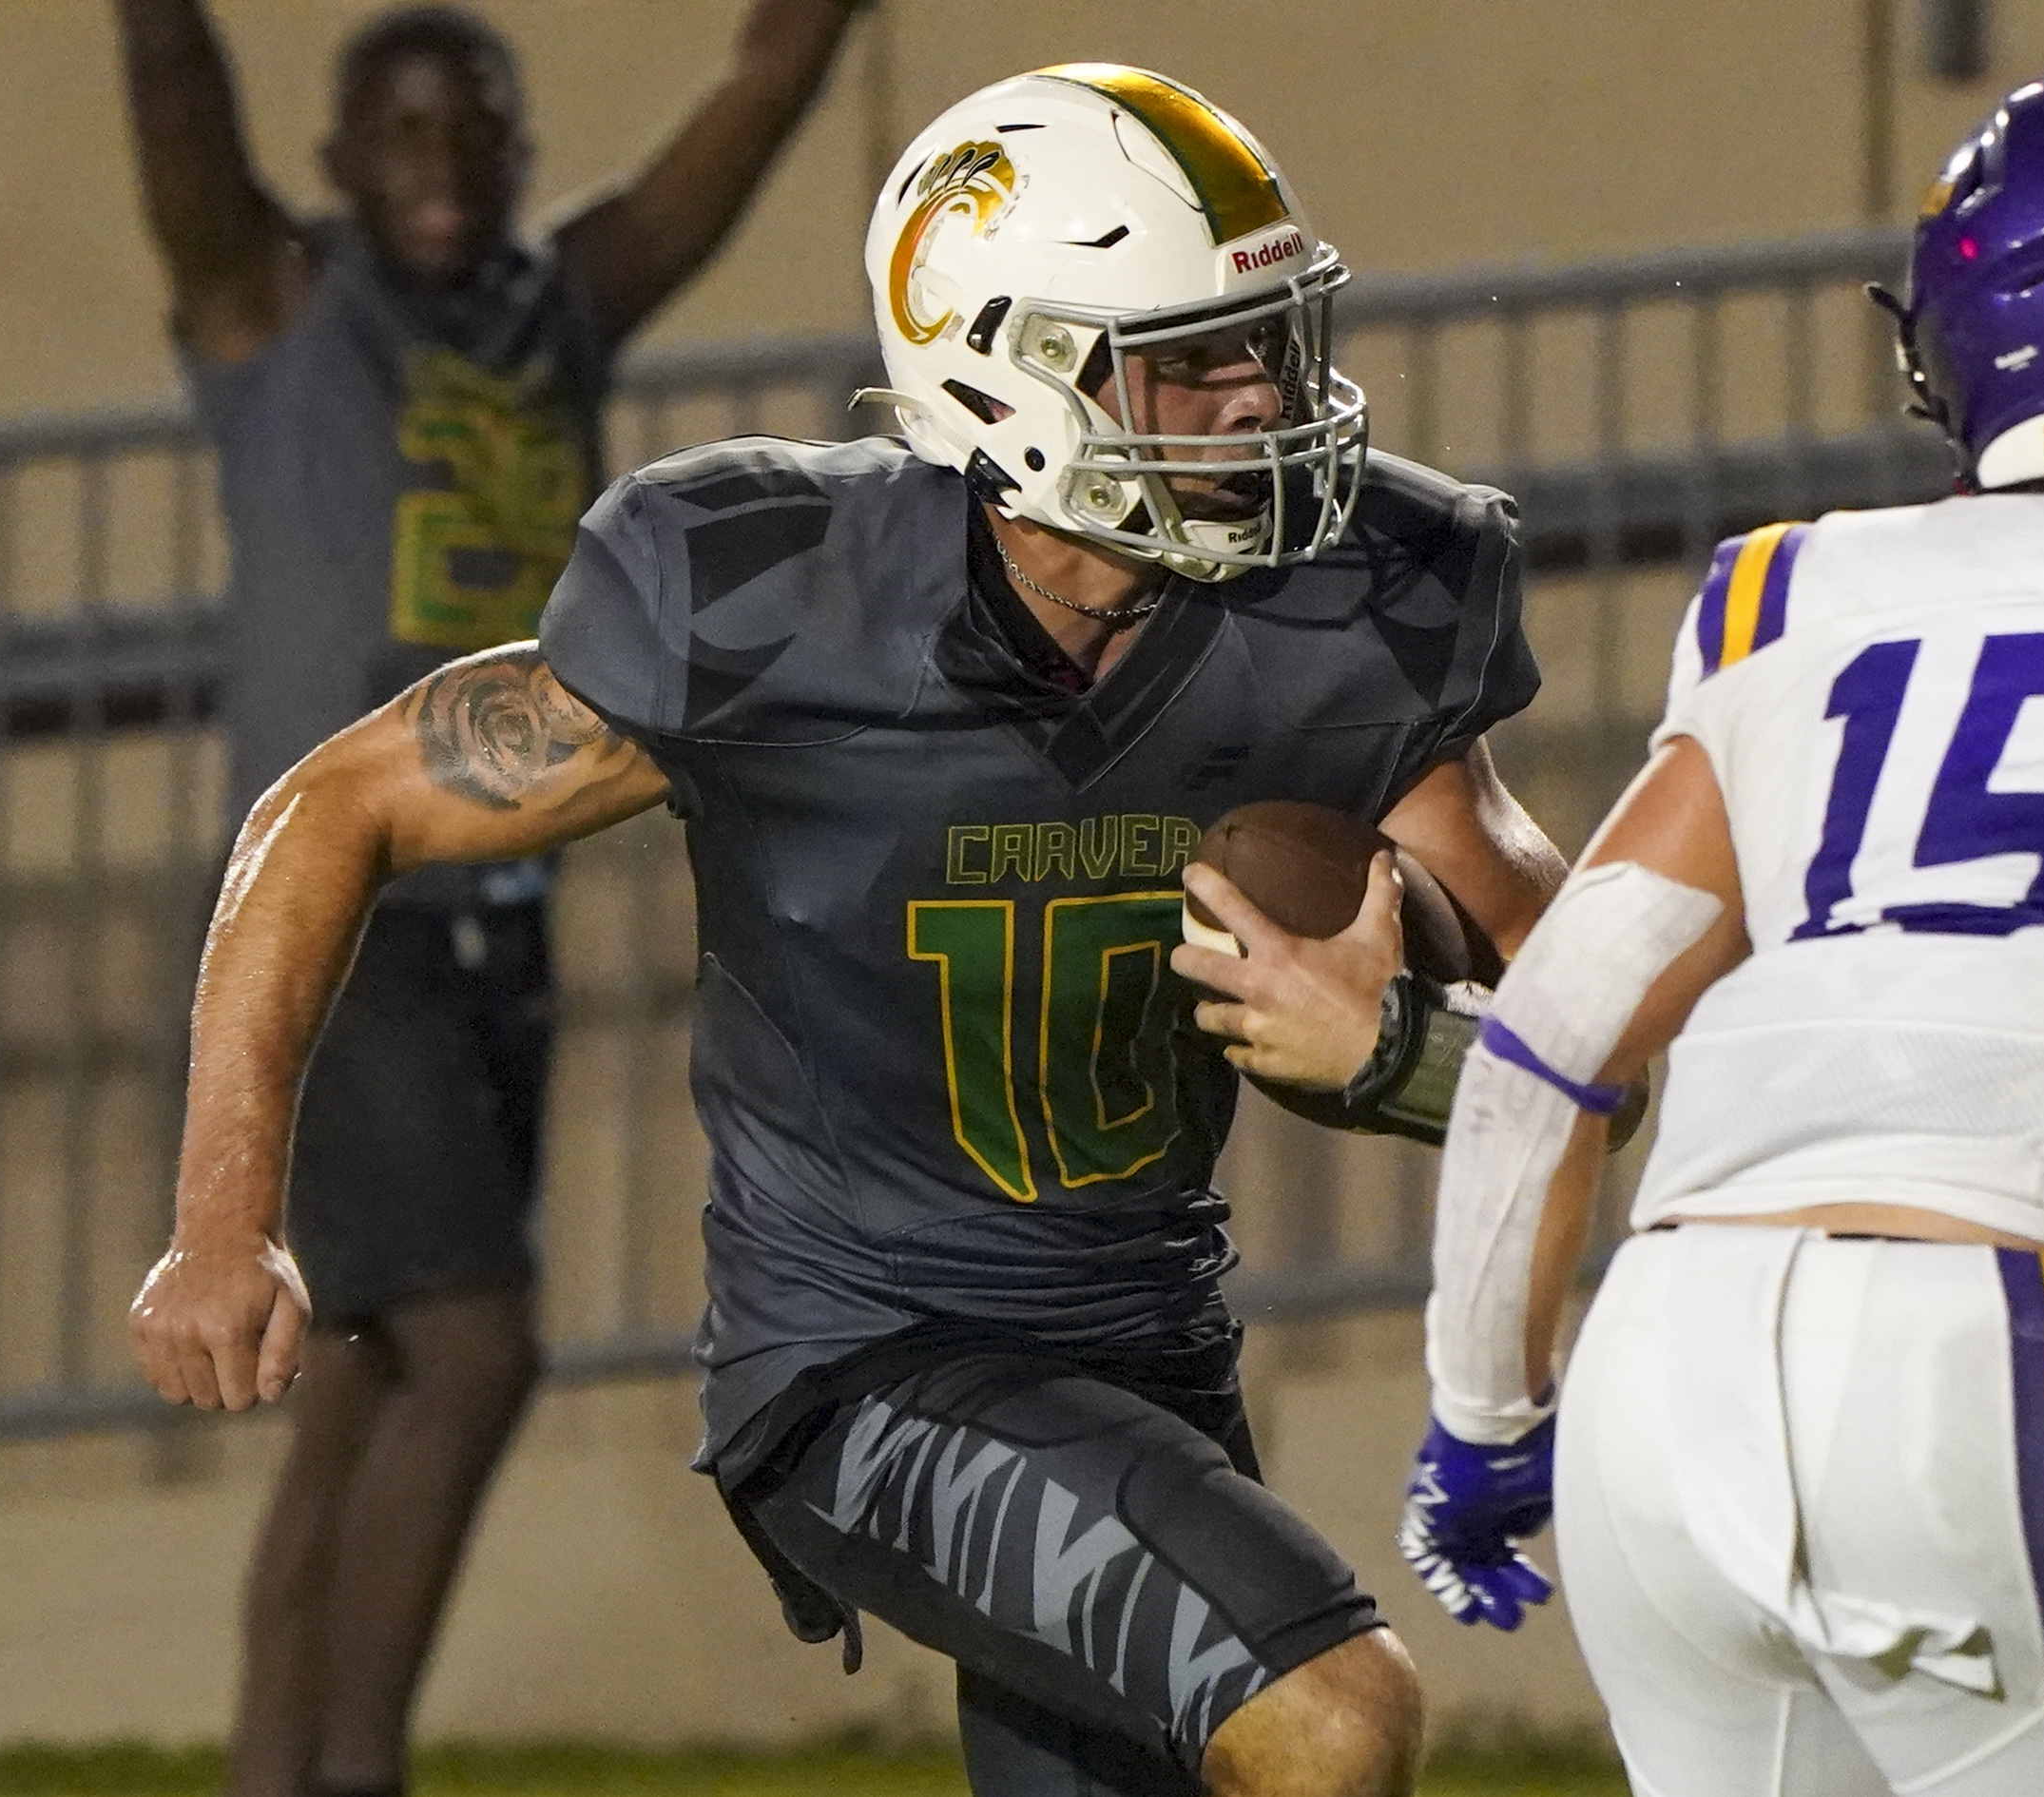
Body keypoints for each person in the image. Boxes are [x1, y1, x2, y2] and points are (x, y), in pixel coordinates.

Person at [130, 63, 1569, 1797]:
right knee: (1332, 1712)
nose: (1262, 390)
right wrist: (225, 1217)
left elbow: (1582, 1020)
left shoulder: (1351, 598)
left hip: (1151, 1352)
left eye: (1269, 336)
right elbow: (337, 804)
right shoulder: (765, 597)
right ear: (1008, 369)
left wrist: (1397, 1045)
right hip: (865, 1368)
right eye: (1191, 355)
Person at [1404, 58, 2044, 1797]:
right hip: (1971, 1361)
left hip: (1656, 1371)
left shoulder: (1794, 590)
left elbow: (1546, 1045)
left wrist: (1486, 1424)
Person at [111, 3, 864, 1792]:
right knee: (476, 1346)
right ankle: (358, 1769)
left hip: (495, 923)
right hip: (333, 912)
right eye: (401, 129)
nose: (441, 158)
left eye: (475, 128)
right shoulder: (278, 310)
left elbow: (747, 106)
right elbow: (182, 139)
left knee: (371, 1368)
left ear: (523, 155)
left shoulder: (556, 310)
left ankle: (272, 1769)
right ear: (339, 166)